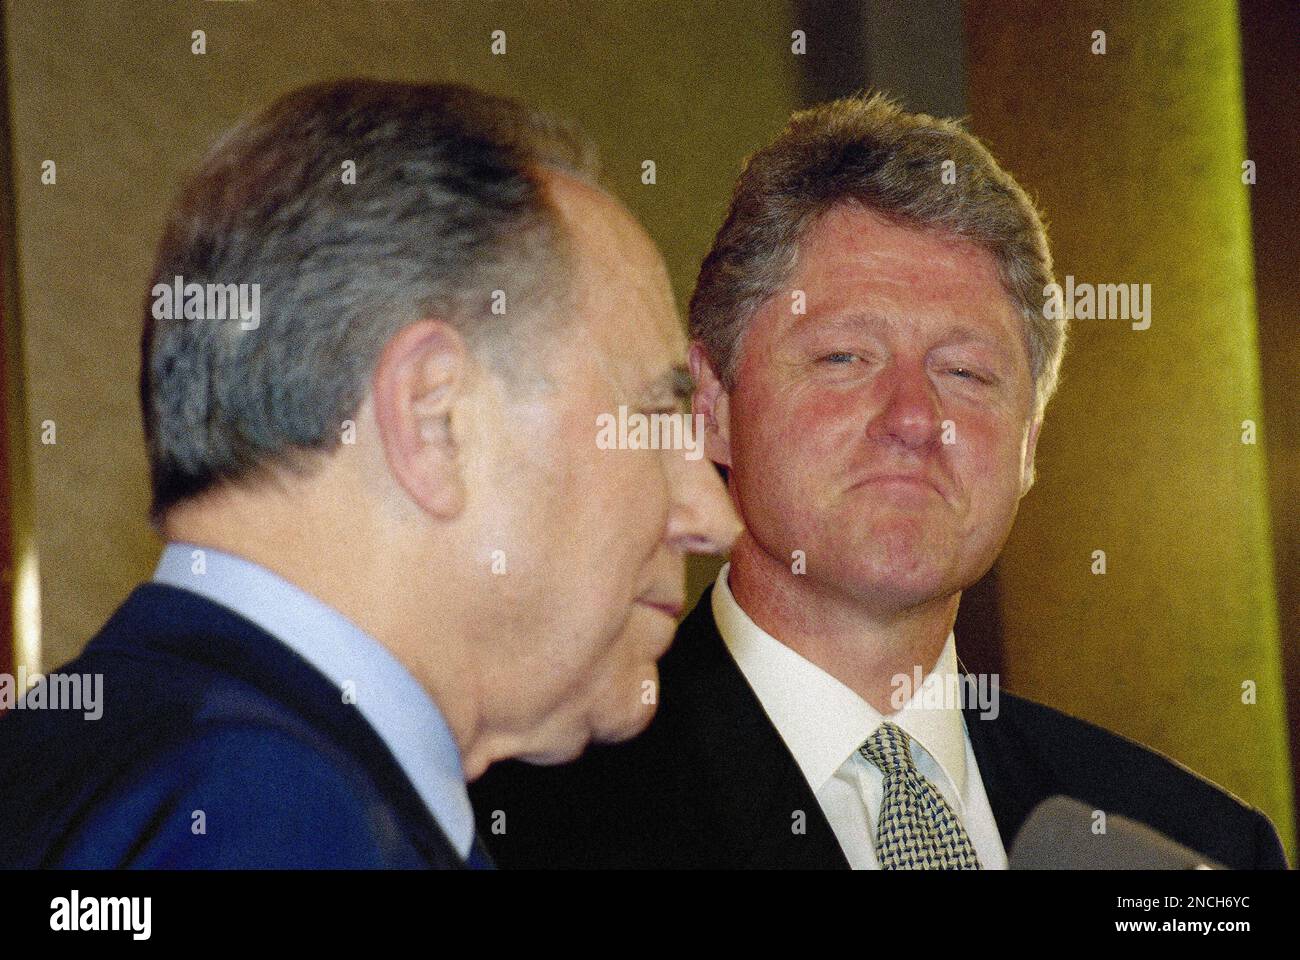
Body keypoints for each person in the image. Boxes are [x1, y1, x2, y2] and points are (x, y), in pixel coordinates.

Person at [469, 93, 1289, 869]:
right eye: (843, 358)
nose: (912, 417)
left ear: (1030, 446)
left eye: (965, 373)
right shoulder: (525, 821)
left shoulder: (1189, 849)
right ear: (714, 407)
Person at [0, 79, 737, 868]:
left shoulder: (90, 757)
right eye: (655, 418)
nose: (713, 519)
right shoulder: (277, 816)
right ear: (434, 419)